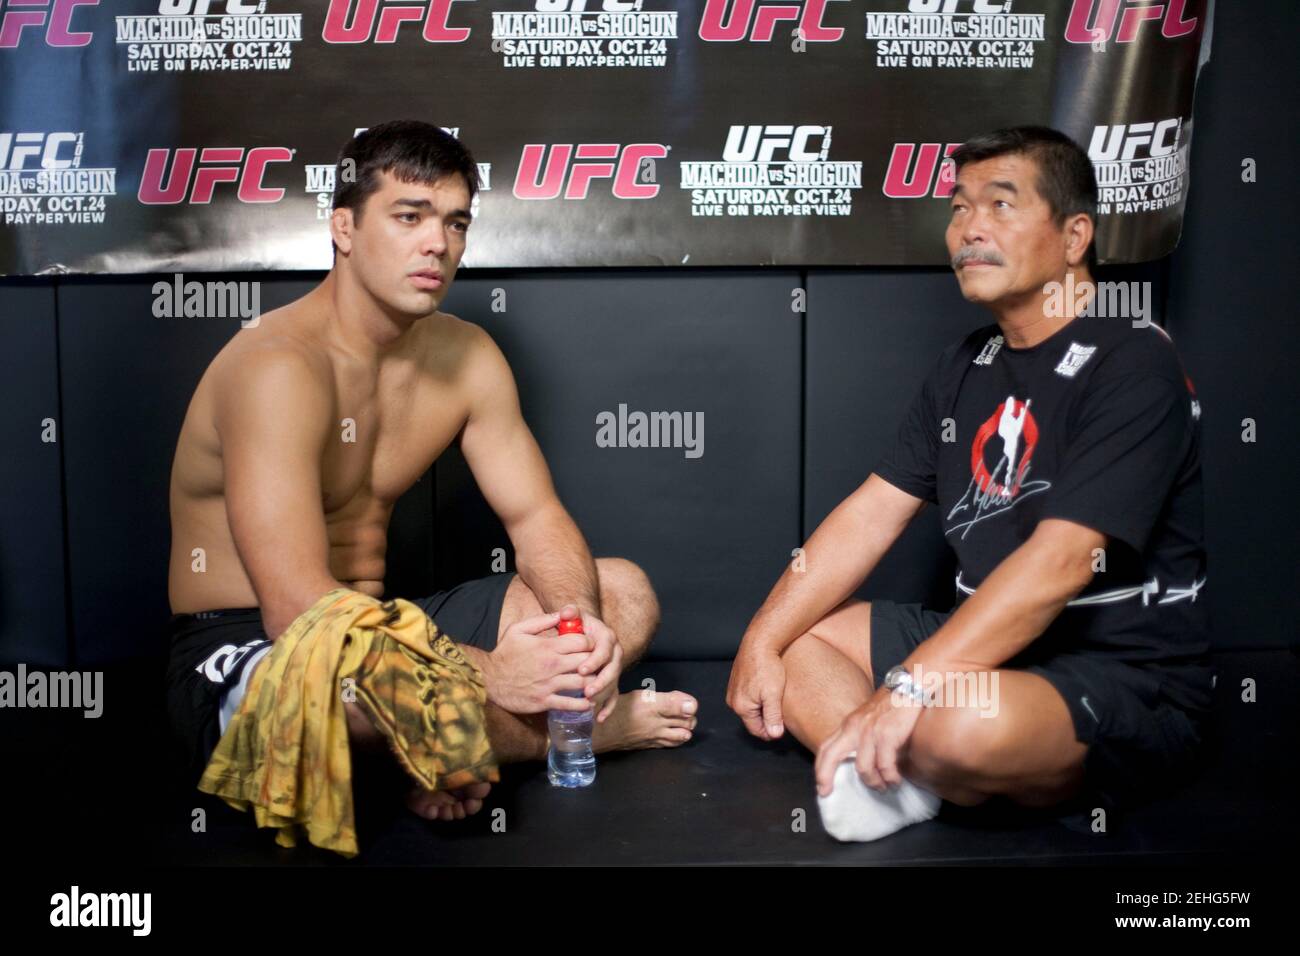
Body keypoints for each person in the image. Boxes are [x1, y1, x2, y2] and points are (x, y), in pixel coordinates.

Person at [166, 120, 698, 823]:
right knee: (358, 696)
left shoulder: (466, 356)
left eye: (455, 223)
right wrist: (489, 674)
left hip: (388, 627)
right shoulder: (275, 368)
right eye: (408, 217)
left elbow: (536, 521)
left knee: (624, 591)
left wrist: (580, 632)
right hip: (254, 650)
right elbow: (298, 613)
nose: (437, 244)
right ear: (344, 228)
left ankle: (449, 745)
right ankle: (581, 733)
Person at [726, 125, 1215, 841]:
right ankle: (893, 774)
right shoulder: (966, 366)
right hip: (979, 640)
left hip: (1115, 668)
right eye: (958, 208)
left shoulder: (1134, 360)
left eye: (1000, 205)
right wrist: (759, 641)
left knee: (960, 727)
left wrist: (905, 687)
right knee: (800, 643)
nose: (969, 229)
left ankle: (906, 755)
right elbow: (869, 515)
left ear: (1076, 235)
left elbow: (1063, 562)